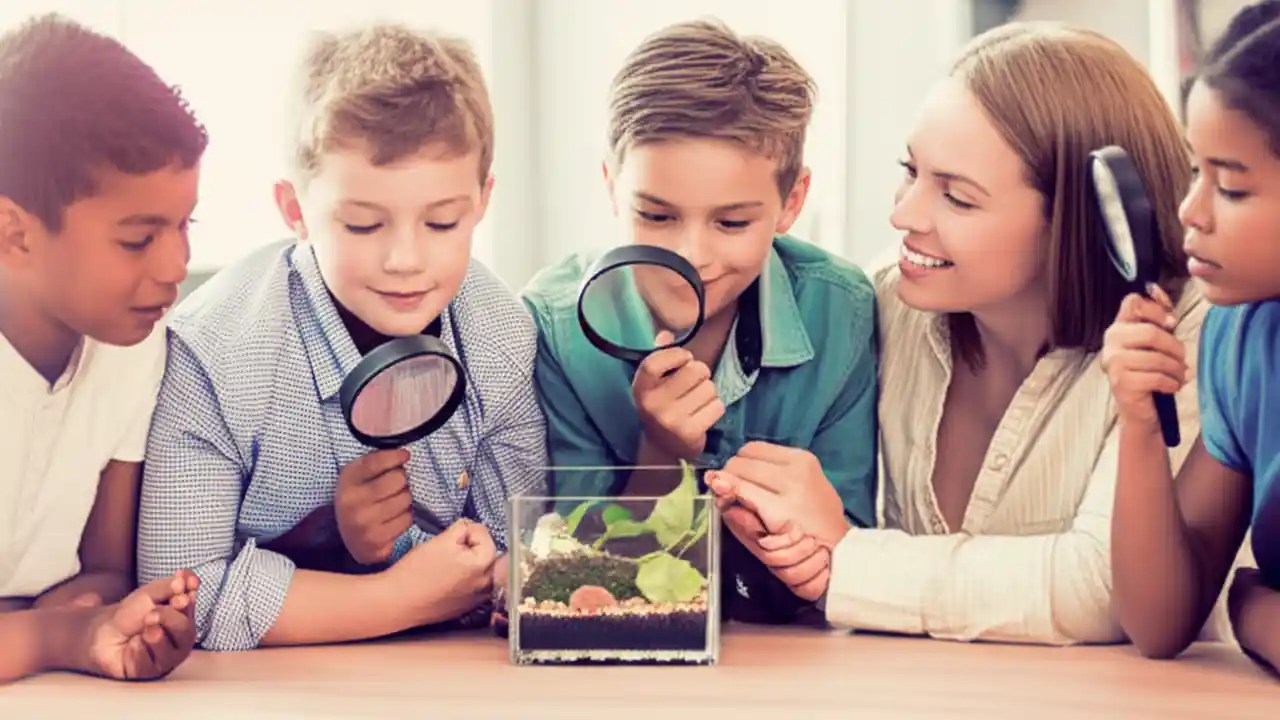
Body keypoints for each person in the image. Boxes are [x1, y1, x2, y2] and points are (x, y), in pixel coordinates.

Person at [711, 21, 1207, 644]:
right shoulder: (887, 302)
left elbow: (1102, 587)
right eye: (910, 170)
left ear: (1083, 221)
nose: (903, 214)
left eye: (958, 198)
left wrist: (850, 556)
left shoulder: (1185, 337)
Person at [138, 23, 547, 652]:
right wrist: (384, 586)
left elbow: (519, 549)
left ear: (483, 200)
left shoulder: (500, 335)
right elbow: (176, 600)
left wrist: (496, 572)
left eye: (442, 222)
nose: (406, 260)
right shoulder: (216, 354)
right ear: (295, 210)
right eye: (362, 225)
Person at [521, 19, 877, 624]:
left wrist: (803, 546)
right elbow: (573, 585)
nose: (690, 256)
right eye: (656, 216)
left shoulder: (840, 309)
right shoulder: (553, 325)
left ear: (792, 202)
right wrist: (660, 452)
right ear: (612, 185)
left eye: (732, 223)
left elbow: (843, 559)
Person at [0, 14, 203, 681]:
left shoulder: (134, 343)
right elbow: (76, 617)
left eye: (184, 224)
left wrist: (118, 621)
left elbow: (106, 568)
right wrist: (64, 634)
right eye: (138, 239)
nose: (175, 265)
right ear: (14, 232)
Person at [1105, 1, 1280, 669]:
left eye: (1230, 187)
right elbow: (1159, 621)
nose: (1190, 211)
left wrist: (1259, 614)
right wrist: (1139, 424)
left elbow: (1256, 608)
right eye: (1194, 171)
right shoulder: (1242, 336)